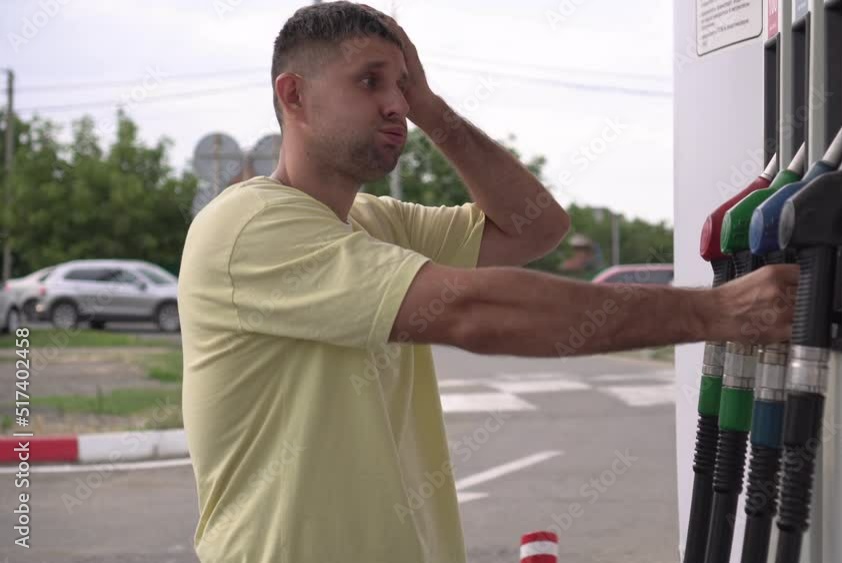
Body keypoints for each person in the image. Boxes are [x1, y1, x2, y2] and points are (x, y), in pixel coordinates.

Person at [177, 2, 799, 562]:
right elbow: (474, 312)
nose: (393, 103)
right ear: (294, 95)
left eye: (401, 84)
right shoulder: (248, 226)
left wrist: (430, 107)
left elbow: (535, 227)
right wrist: (716, 312)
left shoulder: (375, 221)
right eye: (369, 81)